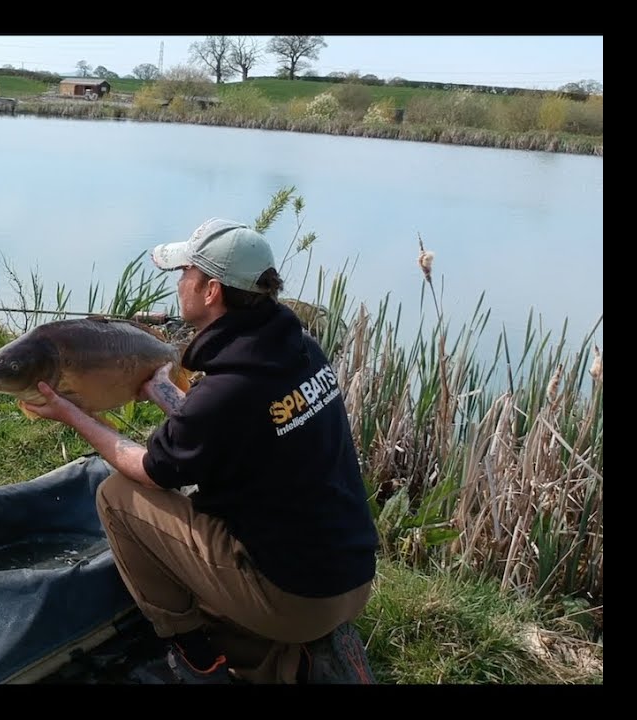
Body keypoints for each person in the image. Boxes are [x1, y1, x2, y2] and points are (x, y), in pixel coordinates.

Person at [28, 218, 380, 684]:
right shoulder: (299, 350)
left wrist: (71, 413)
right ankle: (298, 652)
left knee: (117, 495)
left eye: (185, 274)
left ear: (211, 290)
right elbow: (220, 426)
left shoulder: (227, 391)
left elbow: (151, 469)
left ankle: (192, 650)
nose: (179, 284)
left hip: (298, 598)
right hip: (353, 575)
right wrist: (161, 391)